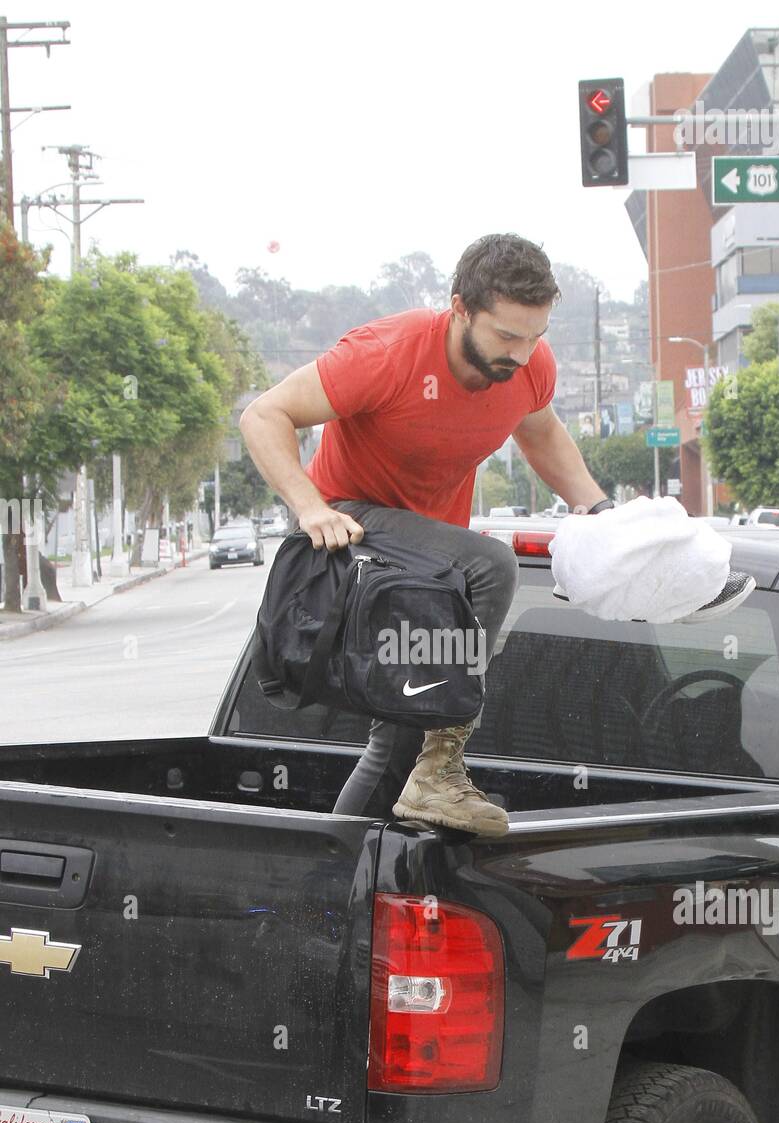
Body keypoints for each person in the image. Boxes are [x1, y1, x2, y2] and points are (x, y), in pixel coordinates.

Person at [240, 233, 752, 837]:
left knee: (398, 743)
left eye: (534, 335)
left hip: (420, 564)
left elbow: (539, 433)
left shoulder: (530, 366)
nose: (522, 351)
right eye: (506, 336)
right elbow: (263, 414)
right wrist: (309, 506)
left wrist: (598, 510)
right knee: (489, 566)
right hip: (352, 534)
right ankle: (446, 764)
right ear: (460, 307)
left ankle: (333, 886)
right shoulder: (388, 352)